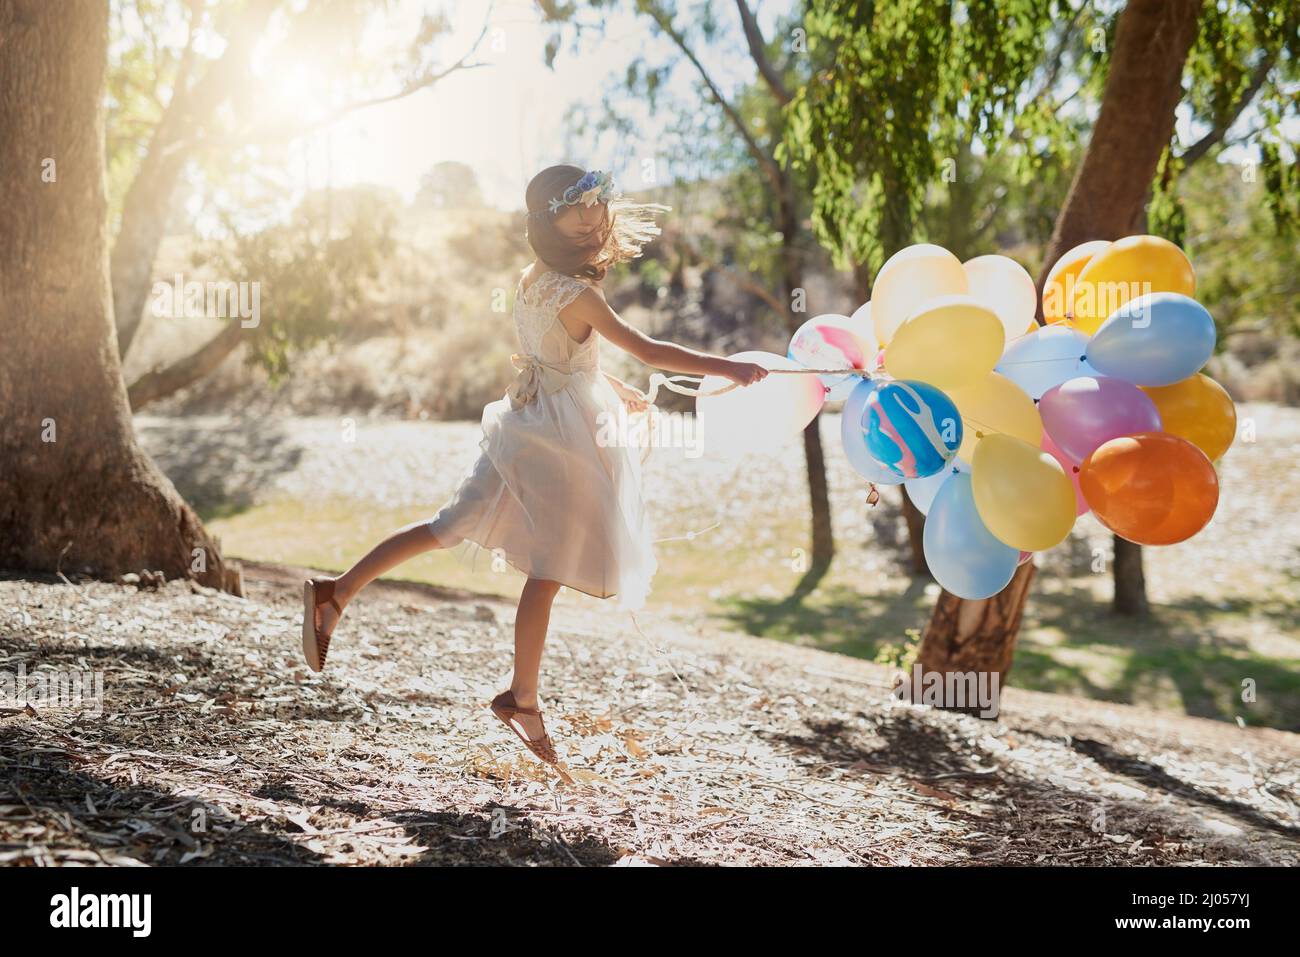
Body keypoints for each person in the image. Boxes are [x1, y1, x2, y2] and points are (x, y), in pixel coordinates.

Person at [302, 165, 767, 767]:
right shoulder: (579, 293)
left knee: (453, 529)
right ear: (551, 222)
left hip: (531, 421)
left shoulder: (536, 278)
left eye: (599, 203)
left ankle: (340, 595)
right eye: (579, 209)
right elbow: (649, 349)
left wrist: (613, 385)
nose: (595, 215)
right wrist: (728, 368)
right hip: (555, 437)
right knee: (540, 565)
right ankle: (514, 695)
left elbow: (560, 351)